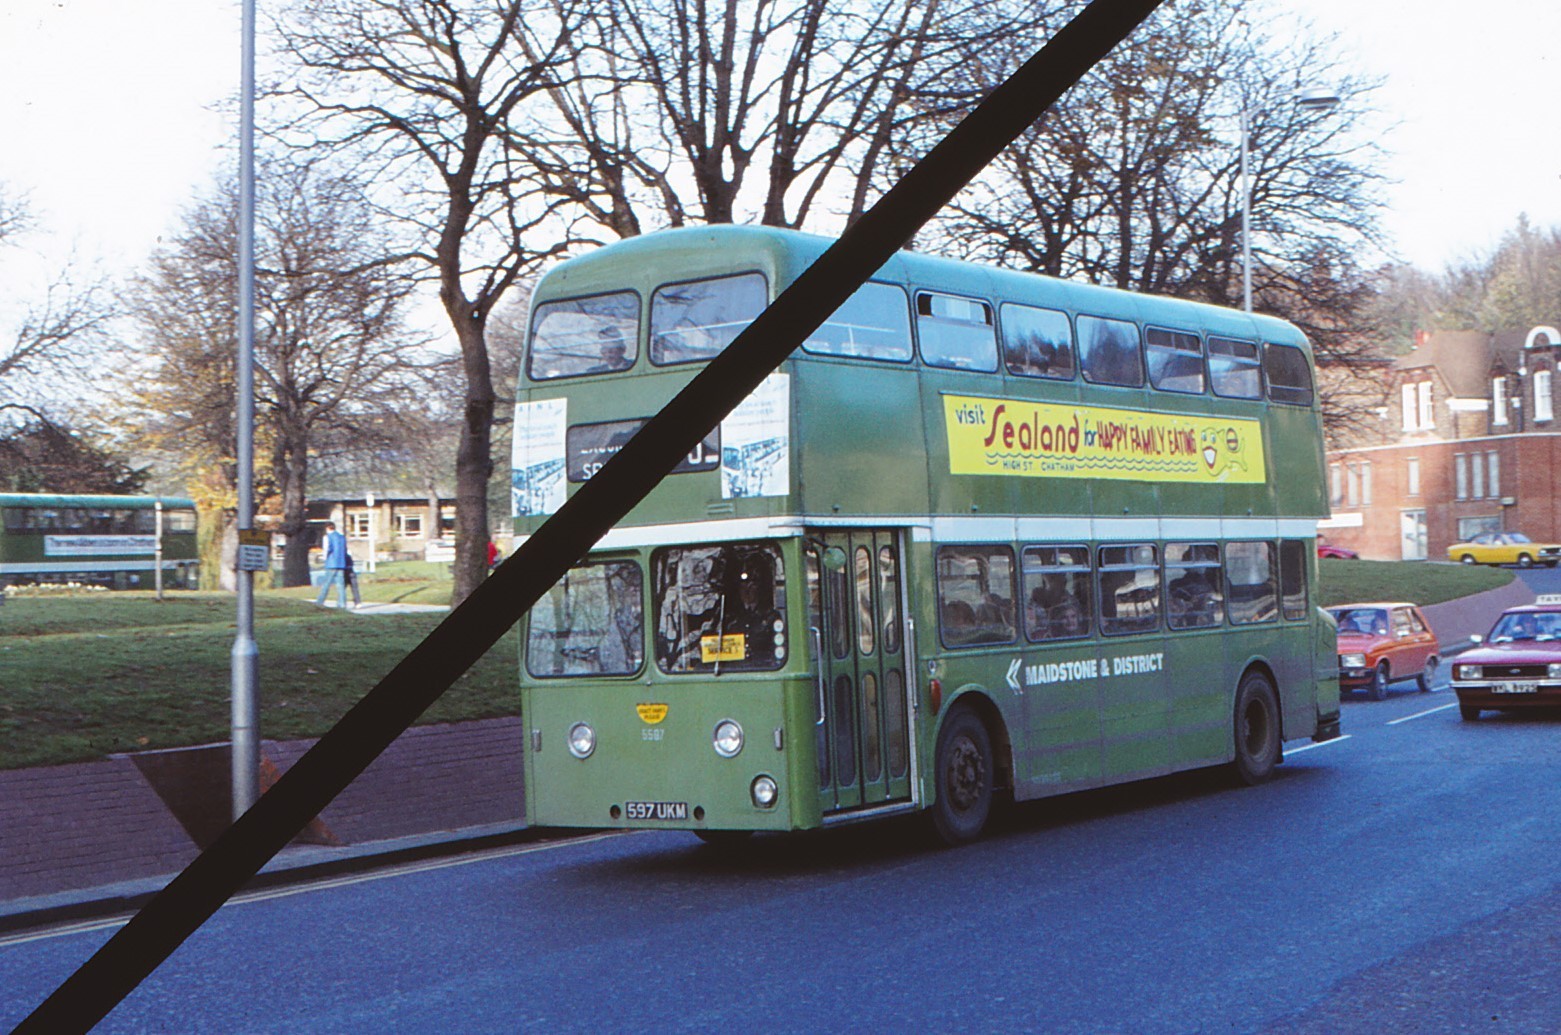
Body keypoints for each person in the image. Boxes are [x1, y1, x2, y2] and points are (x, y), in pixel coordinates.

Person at [314, 521, 349, 609]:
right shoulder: (341, 537)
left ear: (327, 528)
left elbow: (327, 549)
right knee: (340, 585)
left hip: (331, 563)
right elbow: (345, 550)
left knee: (326, 583)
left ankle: (320, 602)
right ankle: (342, 604)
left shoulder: (327, 537)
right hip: (341, 563)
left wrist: (324, 558)